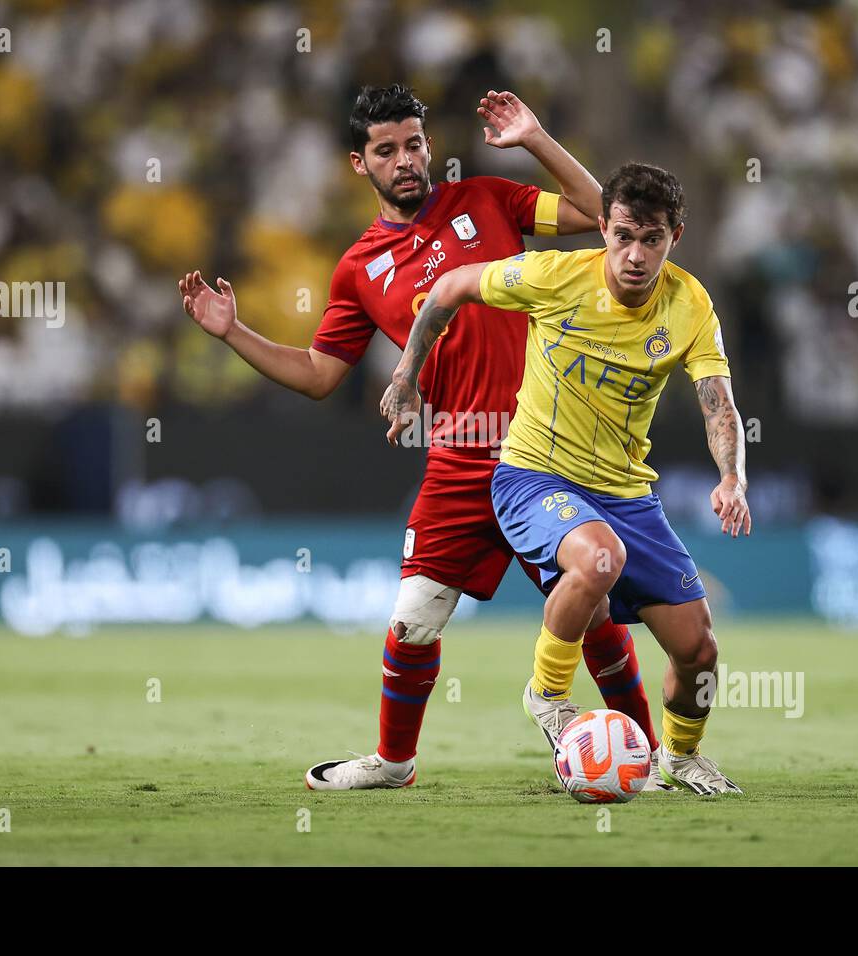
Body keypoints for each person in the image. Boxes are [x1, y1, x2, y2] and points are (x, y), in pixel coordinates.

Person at [179, 86, 658, 790]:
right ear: (358, 163)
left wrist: (534, 138)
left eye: (414, 144)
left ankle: (644, 750)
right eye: (386, 150)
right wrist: (233, 333)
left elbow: (596, 213)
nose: (405, 161)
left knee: (589, 612)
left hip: (540, 450)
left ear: (429, 146)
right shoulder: (358, 269)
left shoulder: (488, 200)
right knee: (410, 625)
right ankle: (395, 763)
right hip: (458, 457)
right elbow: (318, 375)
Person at [381, 162, 749, 794]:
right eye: (624, 235)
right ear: (602, 227)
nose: (635, 255)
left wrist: (732, 478)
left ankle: (682, 758)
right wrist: (406, 374)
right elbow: (450, 289)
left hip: (627, 492)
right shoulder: (554, 276)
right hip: (533, 476)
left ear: (675, 237)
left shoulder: (690, 304)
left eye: (652, 239)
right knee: (600, 559)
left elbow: (719, 404)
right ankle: (548, 695)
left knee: (700, 652)